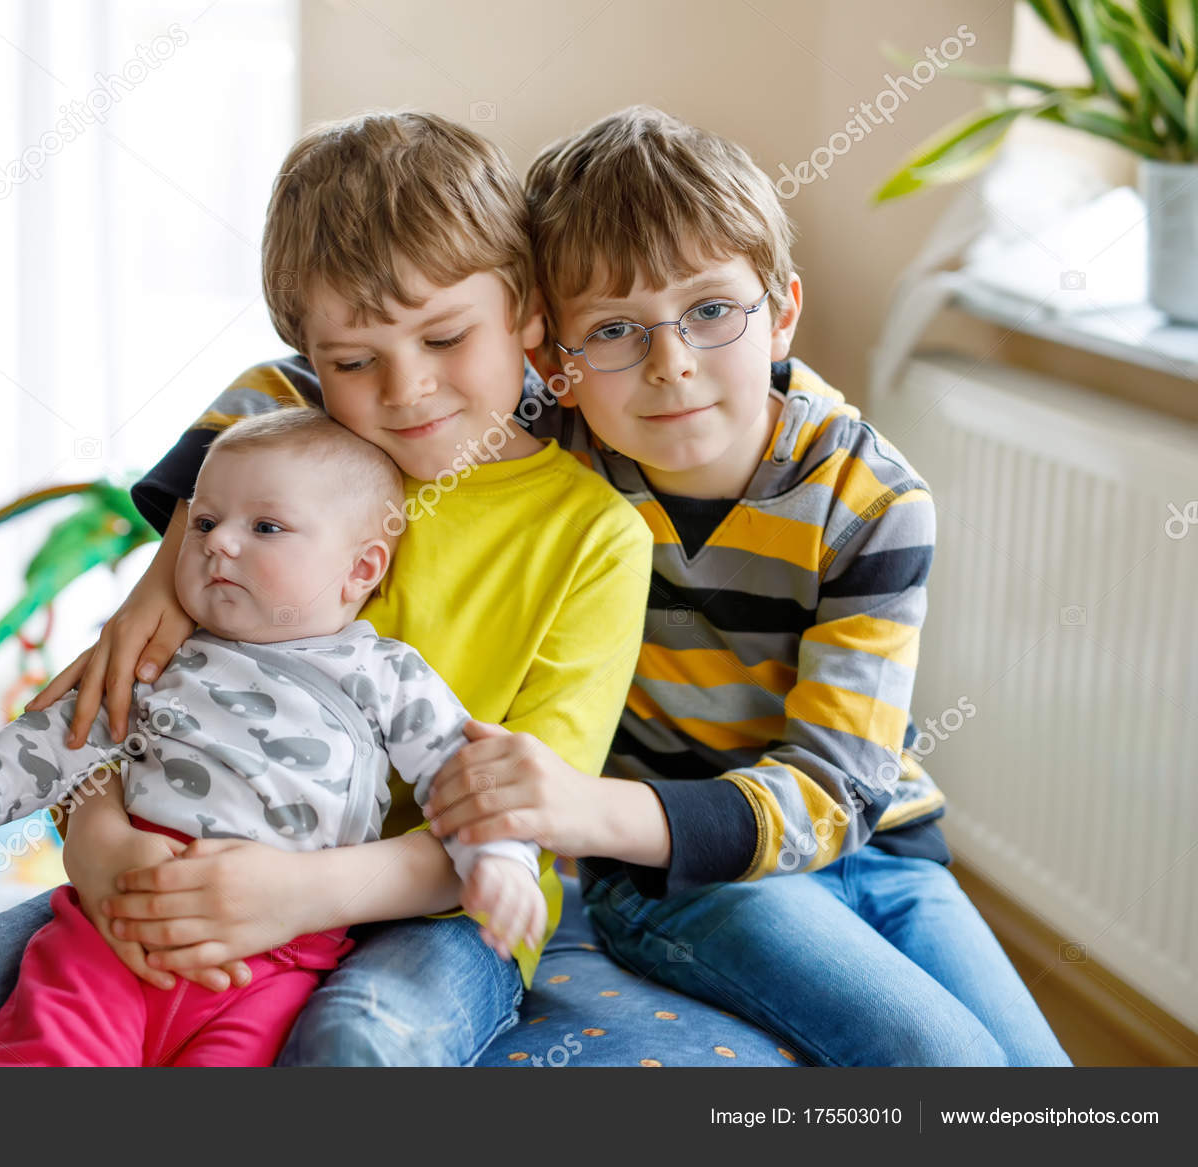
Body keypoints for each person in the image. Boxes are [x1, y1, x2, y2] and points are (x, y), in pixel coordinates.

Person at [0, 110, 654, 1068]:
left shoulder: (594, 537)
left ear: (525, 312)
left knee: (356, 1044)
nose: (406, 388)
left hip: (433, 904)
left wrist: (297, 895)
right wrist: (101, 844)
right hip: (182, 859)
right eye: (353, 361)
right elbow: (109, 714)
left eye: (446, 337)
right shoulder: (263, 471)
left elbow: (525, 810)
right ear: (310, 360)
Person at [422, 106, 1071, 1066]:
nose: (671, 364)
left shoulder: (868, 500)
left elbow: (839, 785)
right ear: (554, 362)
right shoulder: (558, 446)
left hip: (877, 846)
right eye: (614, 329)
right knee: (949, 1061)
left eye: (712, 310)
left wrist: (579, 807)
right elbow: (333, 371)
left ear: (783, 312)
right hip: (674, 866)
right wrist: (197, 500)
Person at [0, 409, 545, 1066]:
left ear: (360, 569)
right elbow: (65, 731)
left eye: (265, 527)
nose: (218, 543)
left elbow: (468, 773)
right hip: (114, 929)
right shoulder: (167, 658)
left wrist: (500, 859)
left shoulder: (384, 674)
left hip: (272, 958)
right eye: (204, 522)